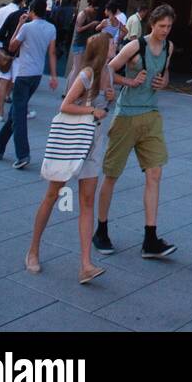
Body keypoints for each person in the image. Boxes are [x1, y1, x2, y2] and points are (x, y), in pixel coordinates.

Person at [25, 33, 115, 283]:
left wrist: (110, 98)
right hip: (73, 139)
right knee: (53, 194)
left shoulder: (107, 71)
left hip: (94, 141)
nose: (115, 47)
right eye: (112, 45)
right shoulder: (87, 73)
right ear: (103, 49)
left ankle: (86, 264)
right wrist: (92, 109)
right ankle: (33, 250)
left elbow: (104, 105)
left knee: (87, 201)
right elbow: (65, 105)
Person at [93, 4, 176, 260]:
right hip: (126, 115)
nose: (165, 31)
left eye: (169, 27)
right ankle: (101, 229)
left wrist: (164, 83)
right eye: (161, 26)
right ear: (152, 24)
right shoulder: (135, 46)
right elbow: (109, 68)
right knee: (112, 174)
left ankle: (150, 238)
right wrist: (129, 81)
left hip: (151, 115)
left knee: (155, 173)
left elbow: (165, 74)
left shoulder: (168, 48)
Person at [0, 0, 58, 169]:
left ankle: (23, 154)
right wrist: (53, 76)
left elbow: (12, 46)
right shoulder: (51, 28)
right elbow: (52, 52)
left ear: (32, 11)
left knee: (18, 115)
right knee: (15, 113)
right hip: (37, 74)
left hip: (23, 74)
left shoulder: (26, 27)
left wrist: (19, 24)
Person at [66, 0, 100, 88]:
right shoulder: (83, 13)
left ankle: (68, 90)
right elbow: (78, 29)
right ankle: (69, 91)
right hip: (79, 43)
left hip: (84, 43)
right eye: (95, 9)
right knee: (77, 69)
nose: (95, 11)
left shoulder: (90, 14)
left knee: (76, 68)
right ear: (92, 6)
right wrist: (91, 24)